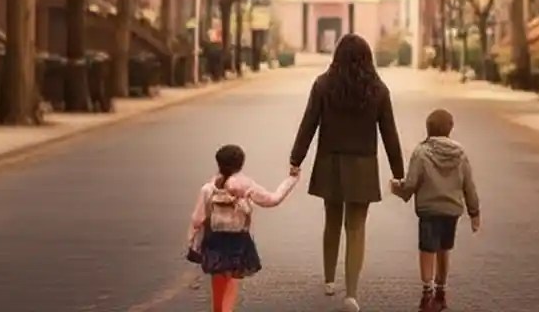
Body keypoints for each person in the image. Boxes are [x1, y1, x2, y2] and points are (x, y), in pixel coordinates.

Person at [290, 33, 406, 312]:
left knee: (332, 220)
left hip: (329, 160)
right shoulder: (378, 89)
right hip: (363, 164)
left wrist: (296, 158)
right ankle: (351, 293)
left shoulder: (323, 84)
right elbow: (389, 133)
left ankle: (329, 280)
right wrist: (398, 171)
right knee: (356, 228)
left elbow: (309, 123)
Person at [187, 144, 299, 312]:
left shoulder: (208, 189)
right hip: (237, 240)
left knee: (218, 278)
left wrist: (192, 239)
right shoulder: (246, 187)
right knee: (231, 279)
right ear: (241, 164)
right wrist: (291, 179)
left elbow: (197, 219)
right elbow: (273, 199)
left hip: (214, 239)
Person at [390, 108, 481, 312]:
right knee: (444, 249)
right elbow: (469, 185)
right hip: (451, 211)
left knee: (427, 250)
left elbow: (411, 183)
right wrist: (474, 213)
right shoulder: (460, 154)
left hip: (429, 210)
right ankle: (442, 290)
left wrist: (396, 189)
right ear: (451, 128)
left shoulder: (421, 152)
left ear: (428, 129)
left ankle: (427, 292)